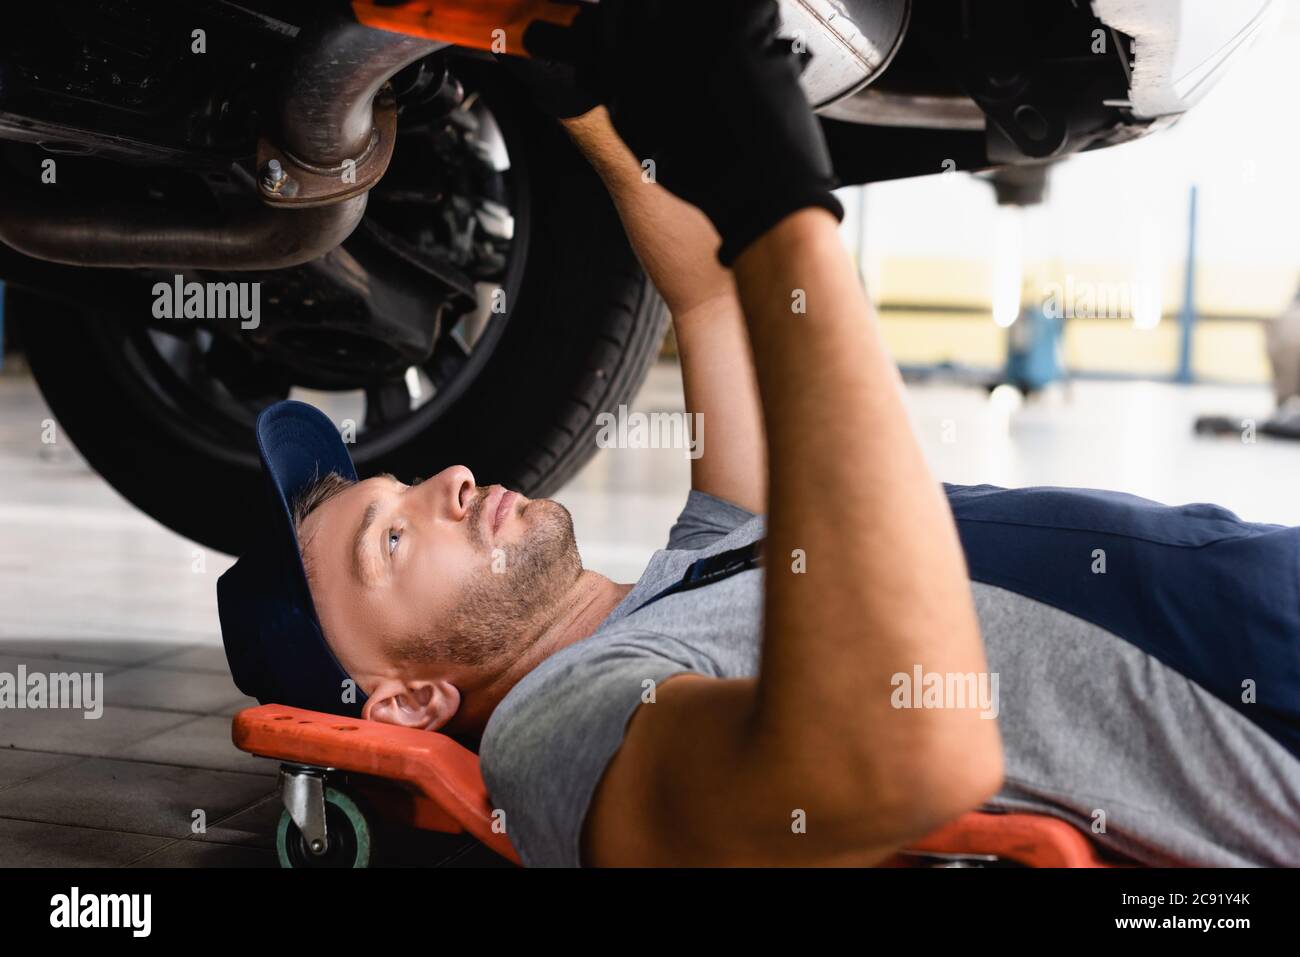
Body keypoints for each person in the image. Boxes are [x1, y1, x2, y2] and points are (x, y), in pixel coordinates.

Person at [218, 1, 1300, 867]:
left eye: (404, 486)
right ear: (410, 700)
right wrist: (781, 203)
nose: (450, 479)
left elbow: (714, 305)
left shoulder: (693, 569)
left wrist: (566, 74)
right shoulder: (561, 734)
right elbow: (895, 763)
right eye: (394, 540)